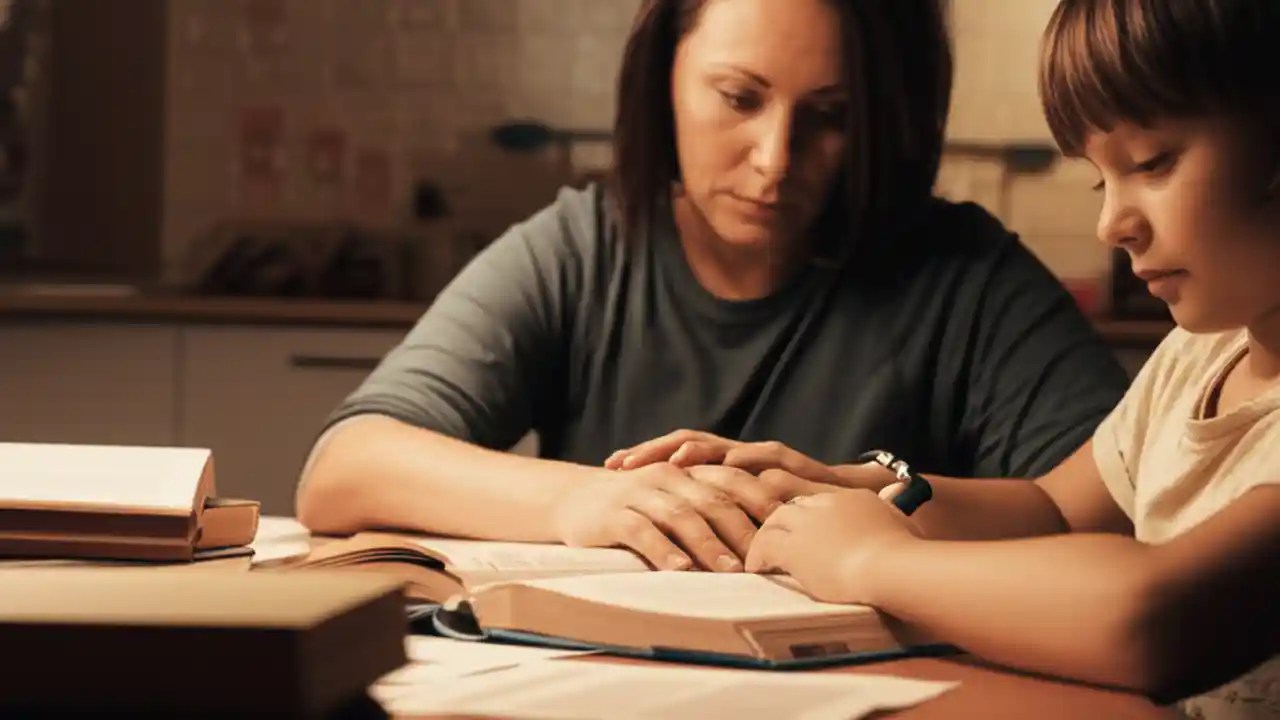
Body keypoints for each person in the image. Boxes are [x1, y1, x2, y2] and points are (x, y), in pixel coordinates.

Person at [296, 0, 1127, 574]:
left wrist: (875, 502)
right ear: (664, 74)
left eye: (830, 117)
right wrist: (586, 501)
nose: (775, 159)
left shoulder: (967, 279)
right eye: (739, 98)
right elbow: (344, 467)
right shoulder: (584, 249)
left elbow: (1117, 510)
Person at [744, 0, 1280, 714]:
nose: (1111, 223)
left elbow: (1153, 620)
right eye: (1100, 179)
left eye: (1152, 163)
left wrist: (871, 560)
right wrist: (863, 494)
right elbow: (1053, 509)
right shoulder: (1198, 356)